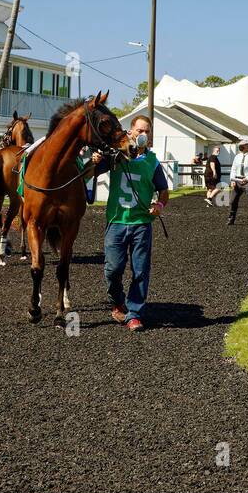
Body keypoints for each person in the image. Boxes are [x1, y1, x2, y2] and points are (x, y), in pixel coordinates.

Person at [90, 114, 169, 332]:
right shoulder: (116, 155)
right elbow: (91, 172)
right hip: (116, 222)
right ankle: (117, 302)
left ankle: (134, 314)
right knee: (113, 269)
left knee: (141, 270)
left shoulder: (152, 162)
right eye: (140, 130)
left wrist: (159, 206)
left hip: (141, 224)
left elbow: (163, 190)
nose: (143, 135)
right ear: (130, 131)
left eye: (147, 132)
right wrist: (94, 160)